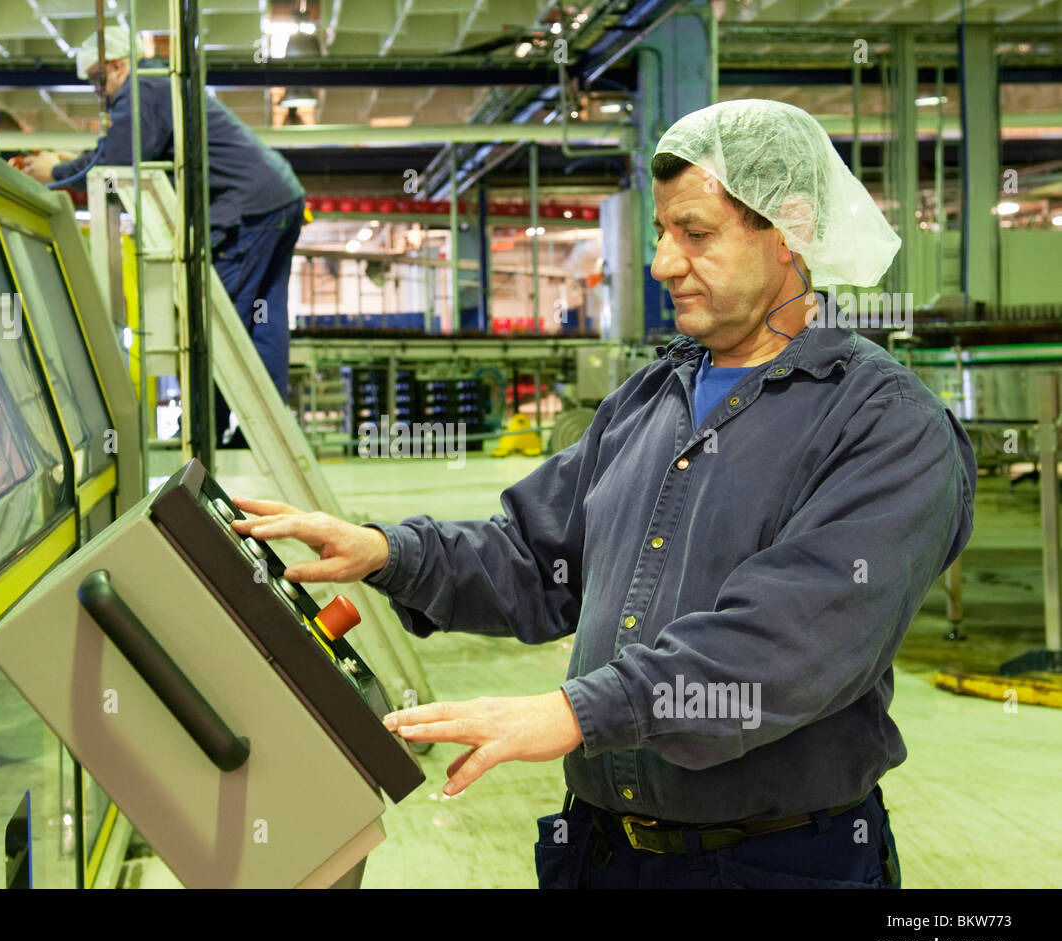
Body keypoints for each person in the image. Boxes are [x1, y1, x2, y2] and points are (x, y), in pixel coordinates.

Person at [228, 99, 978, 889]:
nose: (660, 262)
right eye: (661, 233)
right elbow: (536, 556)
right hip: (602, 853)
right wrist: (387, 550)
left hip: (775, 862)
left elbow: (790, 639)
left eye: (696, 234)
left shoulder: (883, 425)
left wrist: (577, 710)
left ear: (787, 229)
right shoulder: (651, 397)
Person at [23, 26, 306, 447]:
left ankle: (208, 432)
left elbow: (118, 159)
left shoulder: (142, 88)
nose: (99, 93)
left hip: (248, 212)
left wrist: (56, 173)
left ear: (116, 67)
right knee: (261, 319)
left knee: (219, 326)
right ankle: (261, 433)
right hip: (278, 198)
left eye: (98, 81)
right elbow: (129, 149)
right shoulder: (157, 85)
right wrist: (77, 161)